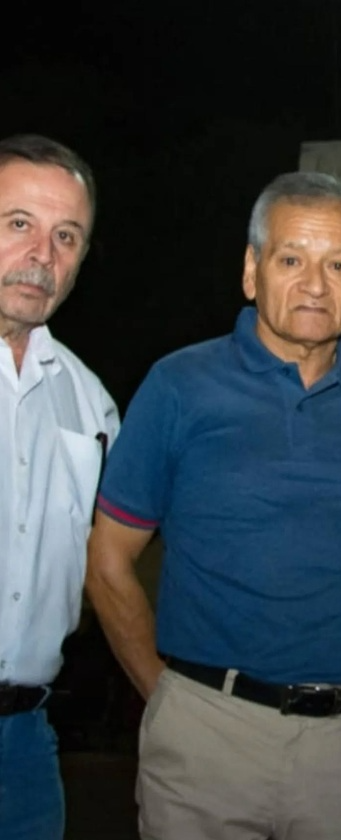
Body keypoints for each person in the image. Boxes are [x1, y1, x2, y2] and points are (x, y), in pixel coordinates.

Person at [86, 171, 341, 840]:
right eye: (291, 259)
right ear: (250, 271)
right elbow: (107, 559)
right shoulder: (178, 385)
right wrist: (166, 695)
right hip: (206, 737)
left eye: (337, 265)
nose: (315, 284)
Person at [0, 134, 119, 839]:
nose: (43, 254)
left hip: (25, 743)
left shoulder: (88, 402)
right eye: (19, 223)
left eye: (66, 235)